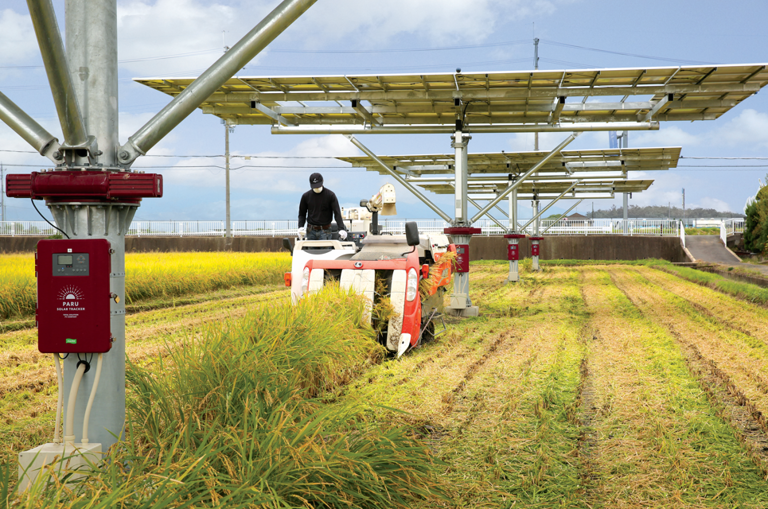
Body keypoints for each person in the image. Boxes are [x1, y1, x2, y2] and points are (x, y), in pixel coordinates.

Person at [298, 172, 347, 241]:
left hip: (325, 230)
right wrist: (300, 227)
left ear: (322, 181)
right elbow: (302, 214)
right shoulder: (306, 196)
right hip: (310, 230)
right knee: (310, 251)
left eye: (318, 185)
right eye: (315, 186)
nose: (317, 188)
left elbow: (337, 213)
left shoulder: (330, 195)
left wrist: (341, 229)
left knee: (326, 251)